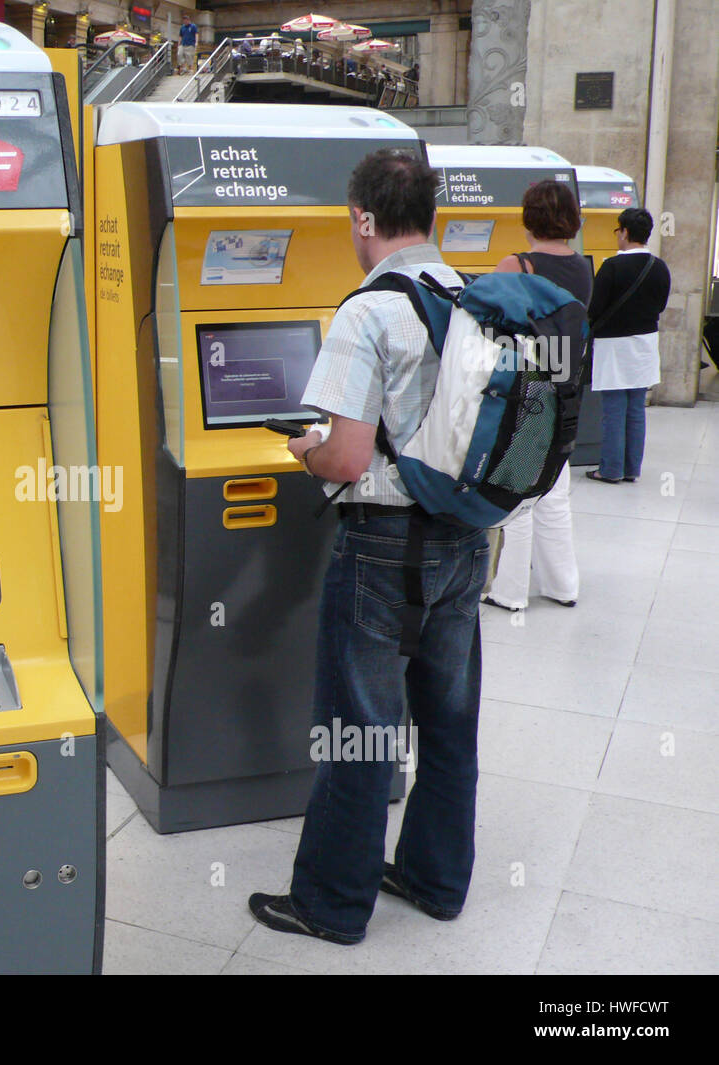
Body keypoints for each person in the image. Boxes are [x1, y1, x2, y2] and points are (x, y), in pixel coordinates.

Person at [248, 150, 490, 944]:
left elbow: (347, 458)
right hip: (462, 539)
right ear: (431, 215)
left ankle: (331, 903)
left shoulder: (366, 311)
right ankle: (434, 878)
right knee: (449, 725)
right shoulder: (473, 295)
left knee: (361, 728)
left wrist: (303, 450)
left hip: (383, 545)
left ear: (362, 217)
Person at [483, 180, 592, 611]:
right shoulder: (582, 266)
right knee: (555, 488)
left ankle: (509, 592)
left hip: (527, 384)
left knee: (519, 489)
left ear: (529, 216)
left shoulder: (518, 265)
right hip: (567, 380)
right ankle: (562, 584)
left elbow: (484, 319)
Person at [586, 208, 672, 483]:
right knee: (636, 408)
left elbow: (595, 308)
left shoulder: (611, 266)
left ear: (623, 232)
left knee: (613, 409)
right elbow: (660, 305)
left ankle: (610, 469)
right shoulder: (659, 267)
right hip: (644, 344)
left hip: (613, 346)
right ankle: (631, 468)